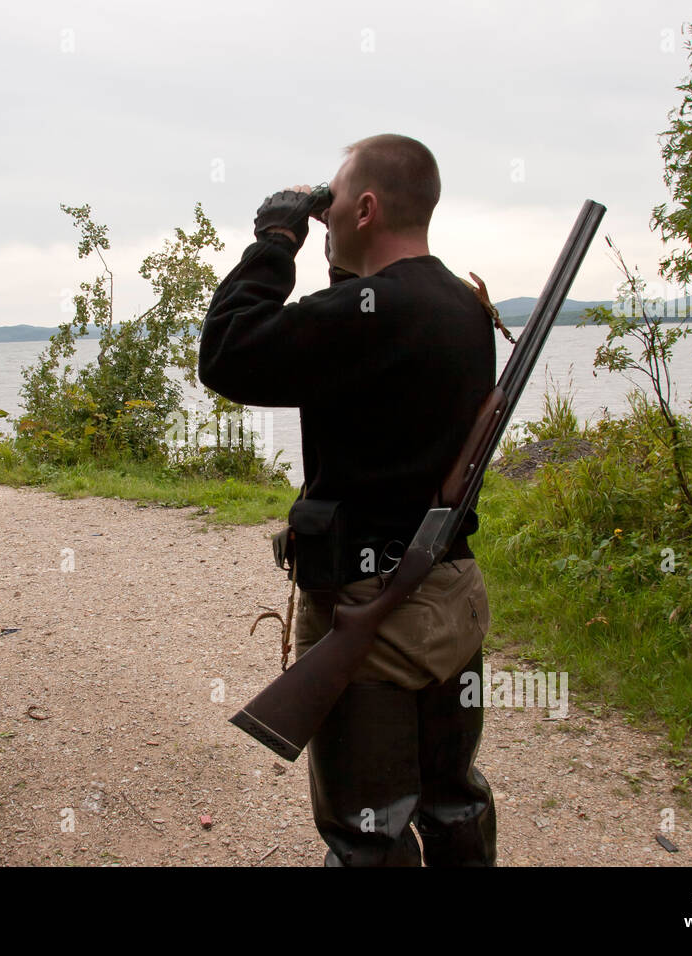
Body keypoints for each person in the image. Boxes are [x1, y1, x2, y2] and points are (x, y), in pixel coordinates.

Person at [198, 133, 497, 866]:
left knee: (367, 835)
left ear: (364, 207)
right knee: (452, 799)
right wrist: (336, 257)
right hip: (448, 594)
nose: (323, 216)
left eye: (333, 204)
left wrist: (275, 239)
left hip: (371, 607)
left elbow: (228, 351)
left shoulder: (366, 314)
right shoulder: (462, 304)